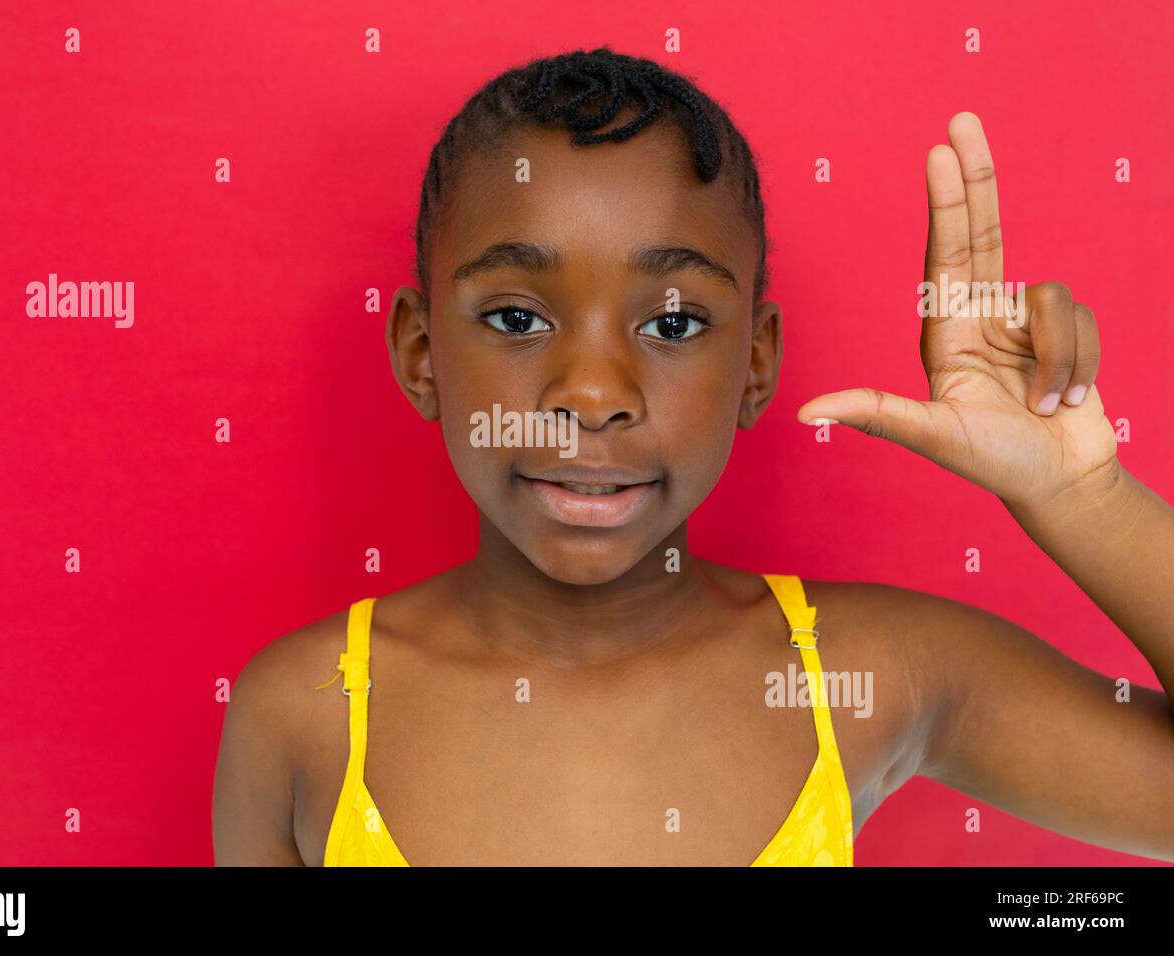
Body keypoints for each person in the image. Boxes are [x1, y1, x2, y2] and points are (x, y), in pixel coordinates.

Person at [213, 47, 1174, 866]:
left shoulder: (880, 672)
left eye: (673, 322)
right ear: (422, 355)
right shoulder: (304, 712)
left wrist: (1084, 495)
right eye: (516, 317)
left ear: (755, 366)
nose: (592, 396)